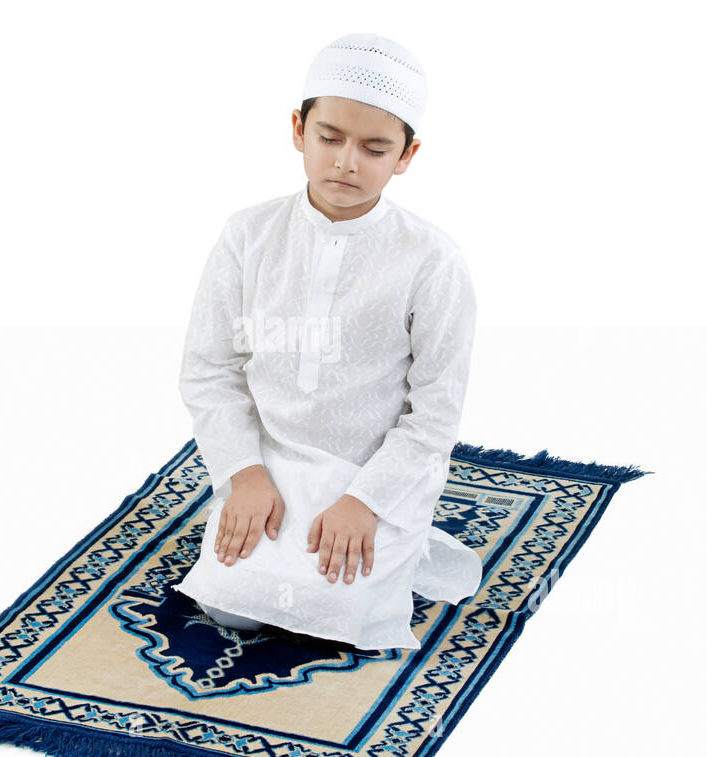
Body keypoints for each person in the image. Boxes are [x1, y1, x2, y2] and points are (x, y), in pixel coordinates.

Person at [172, 32, 483, 652]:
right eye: (330, 138)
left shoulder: (433, 261)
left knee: (338, 616)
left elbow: (435, 415)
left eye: (374, 148)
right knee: (228, 609)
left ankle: (397, 538)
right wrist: (246, 475)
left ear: (407, 154)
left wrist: (365, 502)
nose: (346, 162)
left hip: (372, 472)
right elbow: (208, 371)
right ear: (298, 129)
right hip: (270, 460)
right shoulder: (248, 235)